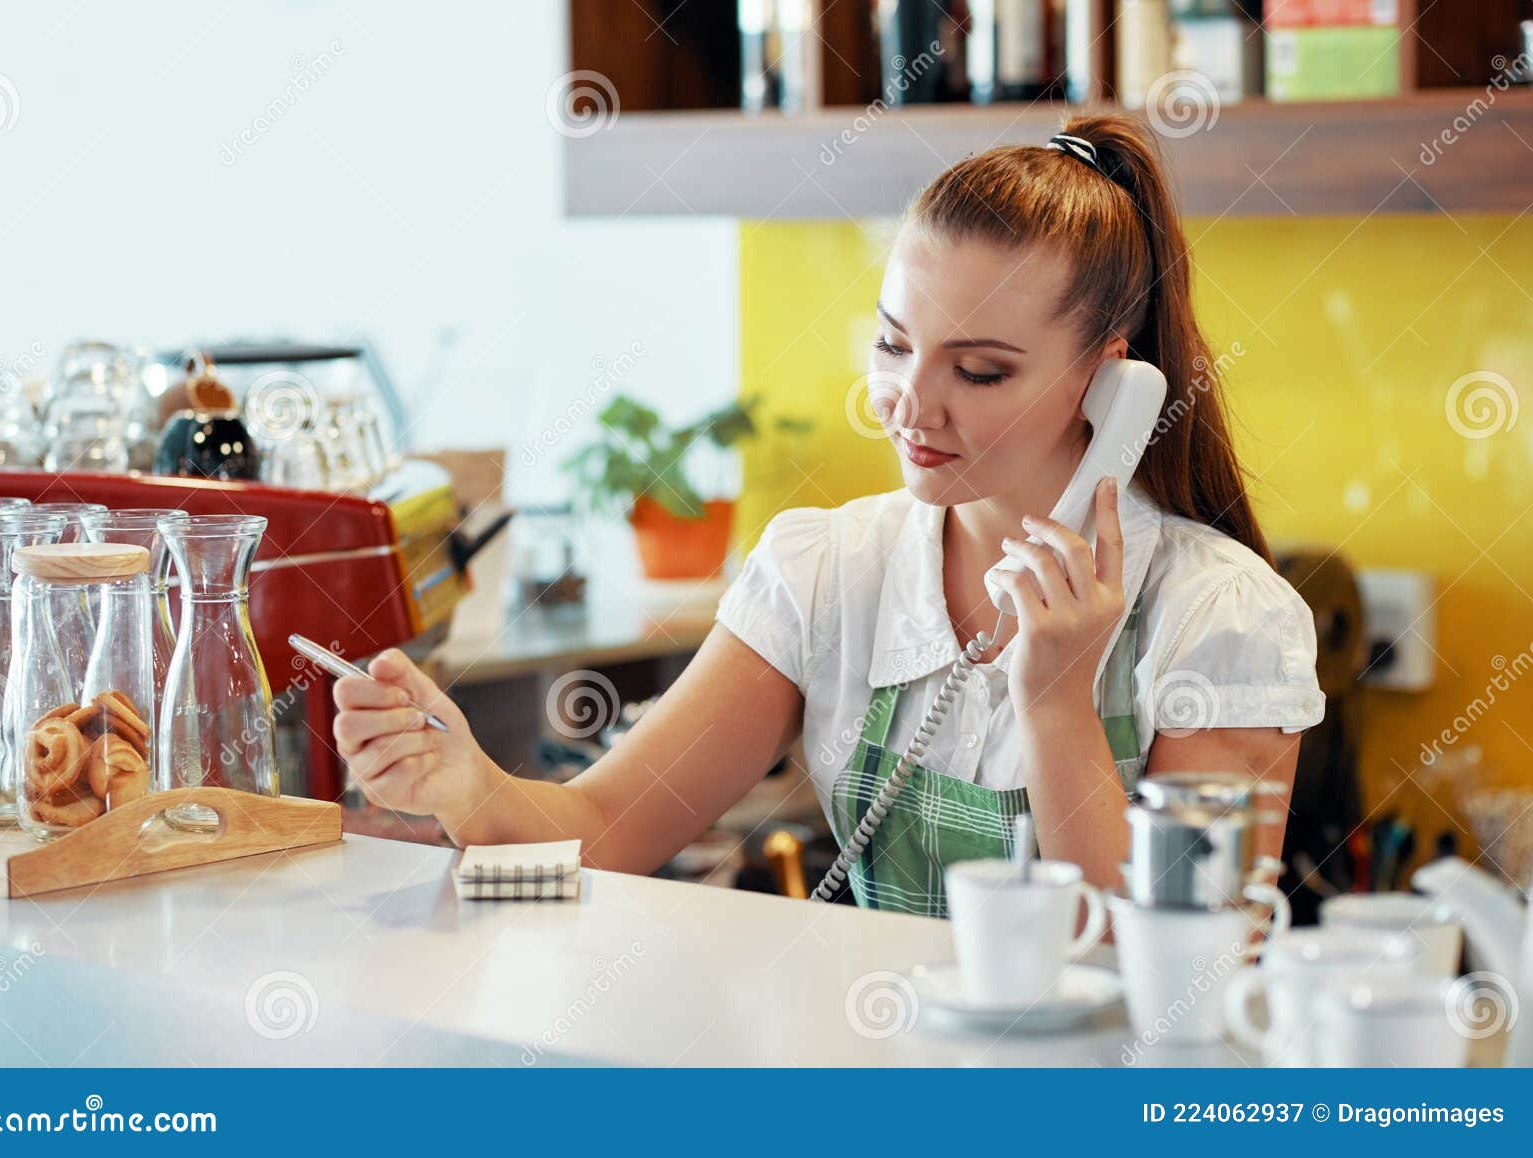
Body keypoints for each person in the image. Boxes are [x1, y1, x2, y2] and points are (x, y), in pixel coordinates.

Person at [333, 112, 1324, 917]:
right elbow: (603, 832)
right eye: (894, 344)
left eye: (979, 370)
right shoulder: (826, 570)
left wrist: (1058, 703)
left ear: (1106, 385)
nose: (912, 404)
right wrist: (463, 782)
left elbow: (1182, 980)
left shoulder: (1219, 621)